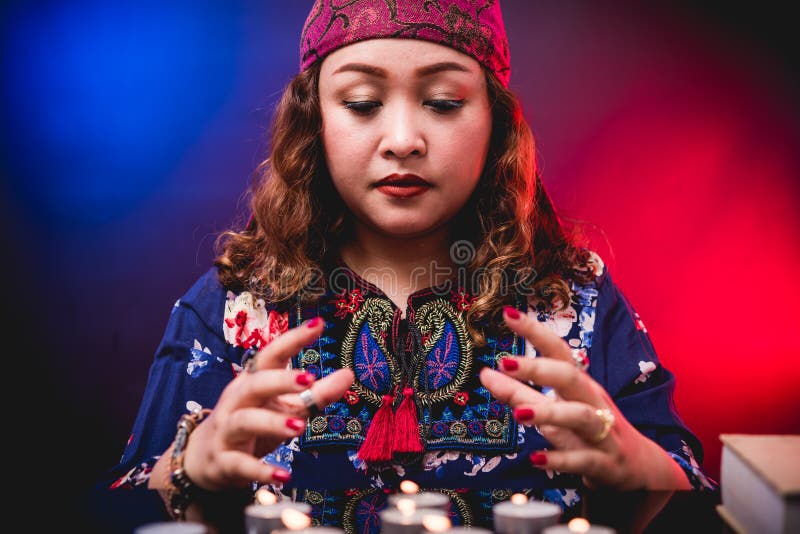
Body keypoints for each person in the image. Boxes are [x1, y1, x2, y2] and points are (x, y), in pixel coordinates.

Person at [99, 1, 716, 531]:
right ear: (315, 121)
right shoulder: (233, 308)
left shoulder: (573, 300)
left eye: (443, 102)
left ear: (496, 122)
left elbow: (700, 495)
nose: (402, 138)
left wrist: (637, 470)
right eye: (363, 102)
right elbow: (124, 506)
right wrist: (194, 468)